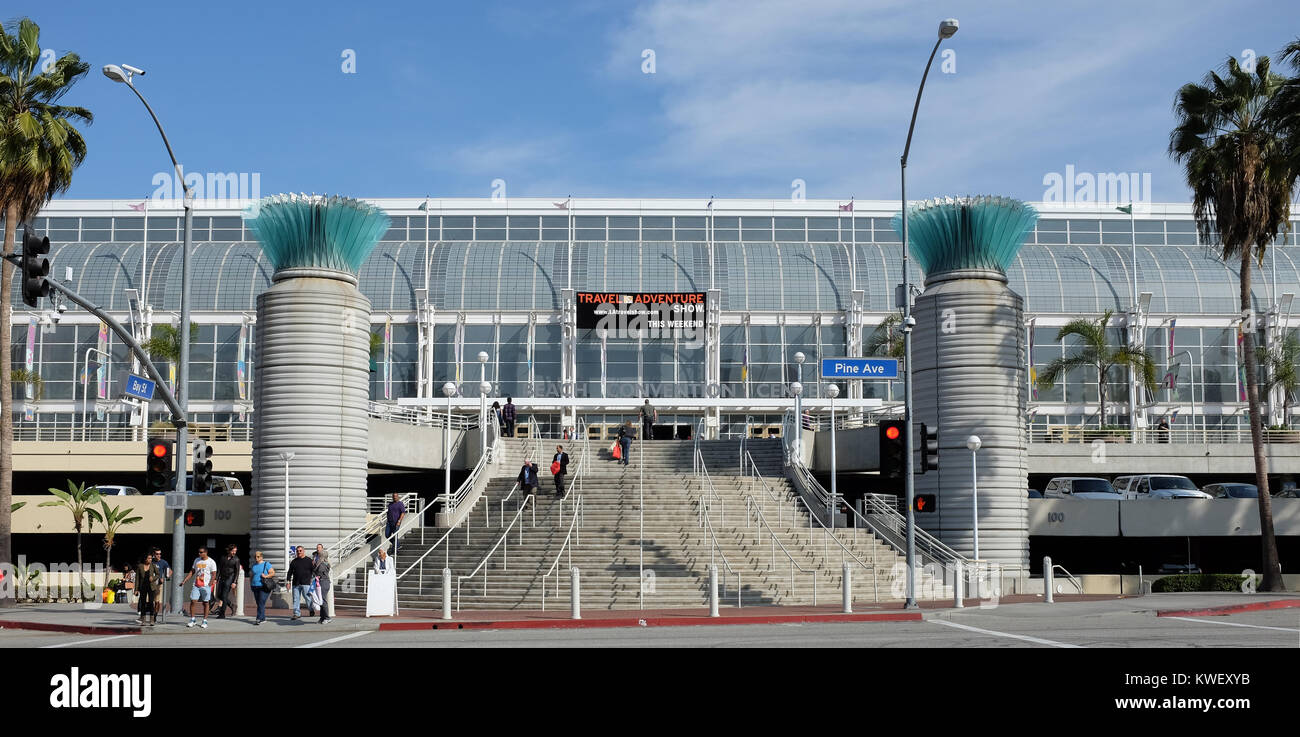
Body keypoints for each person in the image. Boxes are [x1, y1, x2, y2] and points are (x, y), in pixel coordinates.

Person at [180, 547, 218, 629]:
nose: (199, 554)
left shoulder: (211, 562)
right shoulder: (197, 560)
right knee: (193, 601)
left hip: (206, 585)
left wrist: (210, 584)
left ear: (206, 552)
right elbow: (192, 571)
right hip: (196, 585)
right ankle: (193, 619)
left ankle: (205, 620)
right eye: (199, 552)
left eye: (201, 552)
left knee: (205, 603)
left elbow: (214, 574)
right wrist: (184, 581)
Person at [287, 546, 316, 620]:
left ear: (303, 551)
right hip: (296, 583)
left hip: (306, 583)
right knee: (296, 599)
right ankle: (296, 613)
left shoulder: (309, 561)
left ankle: (311, 609)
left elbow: (314, 571)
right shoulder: (294, 561)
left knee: (308, 598)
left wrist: (313, 580)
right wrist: (288, 582)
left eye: (300, 551)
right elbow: (289, 572)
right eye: (297, 551)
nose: (299, 552)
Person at [134, 552, 161, 627]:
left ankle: (152, 619)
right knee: (142, 603)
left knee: (151, 602)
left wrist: (153, 578)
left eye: (151, 558)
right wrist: (136, 589)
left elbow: (158, 574)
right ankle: (143, 620)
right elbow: (137, 579)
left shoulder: (153, 565)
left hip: (151, 586)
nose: (150, 560)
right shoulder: (140, 566)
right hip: (143, 586)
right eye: (149, 558)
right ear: (145, 559)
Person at [214, 543, 241, 619]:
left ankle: (222, 614)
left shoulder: (236, 559)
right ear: (229, 550)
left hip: (230, 578)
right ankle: (232, 605)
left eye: (235, 551)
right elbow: (219, 569)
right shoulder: (223, 558)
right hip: (222, 577)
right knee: (219, 595)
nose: (234, 552)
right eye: (233, 551)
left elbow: (237, 572)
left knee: (224, 595)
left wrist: (234, 582)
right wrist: (216, 578)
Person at [249, 551, 275, 625]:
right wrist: (251, 584)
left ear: (261, 557)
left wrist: (266, 576)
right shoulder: (254, 565)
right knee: (259, 603)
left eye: (258, 556)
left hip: (264, 586)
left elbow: (273, 573)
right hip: (255, 586)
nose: (256, 558)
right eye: (255, 557)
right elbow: (251, 575)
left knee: (261, 602)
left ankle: (259, 618)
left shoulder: (266, 564)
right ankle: (263, 618)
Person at [313, 545, 332, 624]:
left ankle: (327, 617)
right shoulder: (318, 563)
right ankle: (322, 617)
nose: (314, 557)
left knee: (323, 599)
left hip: (324, 581)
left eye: (316, 556)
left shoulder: (323, 563)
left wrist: (314, 566)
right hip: (320, 582)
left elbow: (320, 572)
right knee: (320, 600)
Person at [152, 547, 171, 620]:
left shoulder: (163, 562)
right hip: (150, 583)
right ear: (154, 554)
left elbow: (170, 571)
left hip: (158, 584)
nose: (158, 555)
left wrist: (165, 577)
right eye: (157, 554)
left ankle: (154, 616)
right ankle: (150, 613)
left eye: (160, 554)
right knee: (150, 601)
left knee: (157, 601)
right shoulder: (151, 561)